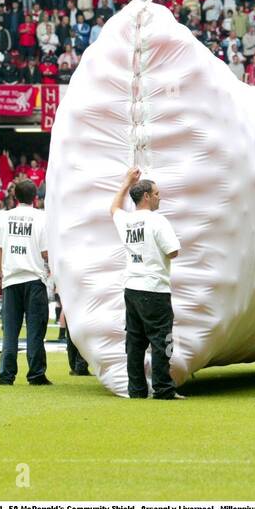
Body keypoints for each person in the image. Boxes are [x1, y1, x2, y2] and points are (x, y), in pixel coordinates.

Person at [110, 167, 183, 399]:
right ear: (147, 197)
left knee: (135, 342)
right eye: (157, 193)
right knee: (163, 341)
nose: (159, 197)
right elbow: (173, 252)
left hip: (131, 287)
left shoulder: (127, 221)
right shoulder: (157, 221)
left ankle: (137, 390)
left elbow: (113, 208)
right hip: (155, 288)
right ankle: (164, 389)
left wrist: (126, 182)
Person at [0, 178, 51, 386]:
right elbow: (45, 252)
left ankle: (6, 375)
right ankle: (36, 374)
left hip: (11, 279)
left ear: (15, 196)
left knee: (10, 329)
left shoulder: (5, 217)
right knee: (35, 329)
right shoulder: (41, 218)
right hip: (34, 278)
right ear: (35, 197)